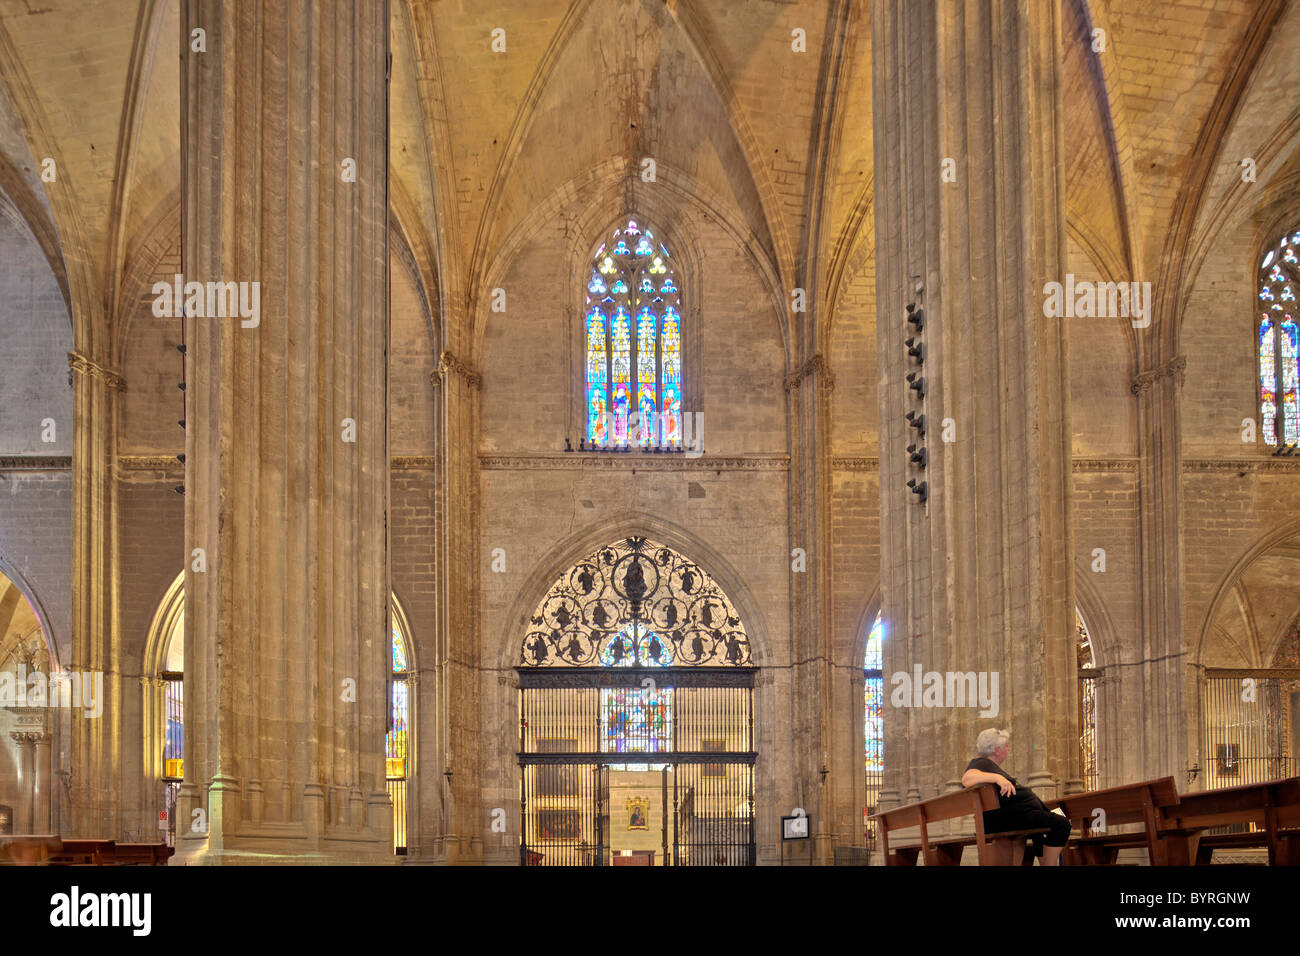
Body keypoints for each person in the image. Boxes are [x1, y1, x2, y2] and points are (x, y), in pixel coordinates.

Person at [961, 728, 1071, 866]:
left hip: (1013, 817)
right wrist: (998, 778)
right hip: (1006, 821)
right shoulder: (980, 763)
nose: (1009, 748)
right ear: (996, 750)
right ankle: (1048, 864)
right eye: (1006, 746)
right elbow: (967, 779)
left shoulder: (988, 765)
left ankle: (1046, 862)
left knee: (1048, 823)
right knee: (1062, 823)